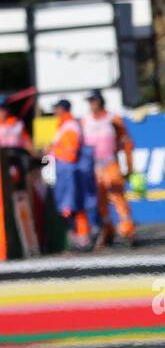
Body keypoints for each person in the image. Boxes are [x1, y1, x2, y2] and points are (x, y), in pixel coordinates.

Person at [82, 90, 136, 247]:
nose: (92, 105)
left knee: (117, 196)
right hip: (94, 165)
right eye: (90, 101)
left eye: (94, 101)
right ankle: (108, 232)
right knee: (100, 202)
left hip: (111, 163)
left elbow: (126, 143)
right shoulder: (85, 121)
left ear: (100, 101)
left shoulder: (113, 119)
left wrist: (129, 166)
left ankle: (127, 230)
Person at [49, 99, 94, 251]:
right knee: (71, 206)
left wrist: (51, 151)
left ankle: (81, 240)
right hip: (66, 172)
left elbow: (70, 154)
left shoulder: (69, 125)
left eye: (56, 108)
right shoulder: (64, 125)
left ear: (62, 109)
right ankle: (79, 239)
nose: (54, 111)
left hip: (70, 172)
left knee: (72, 207)